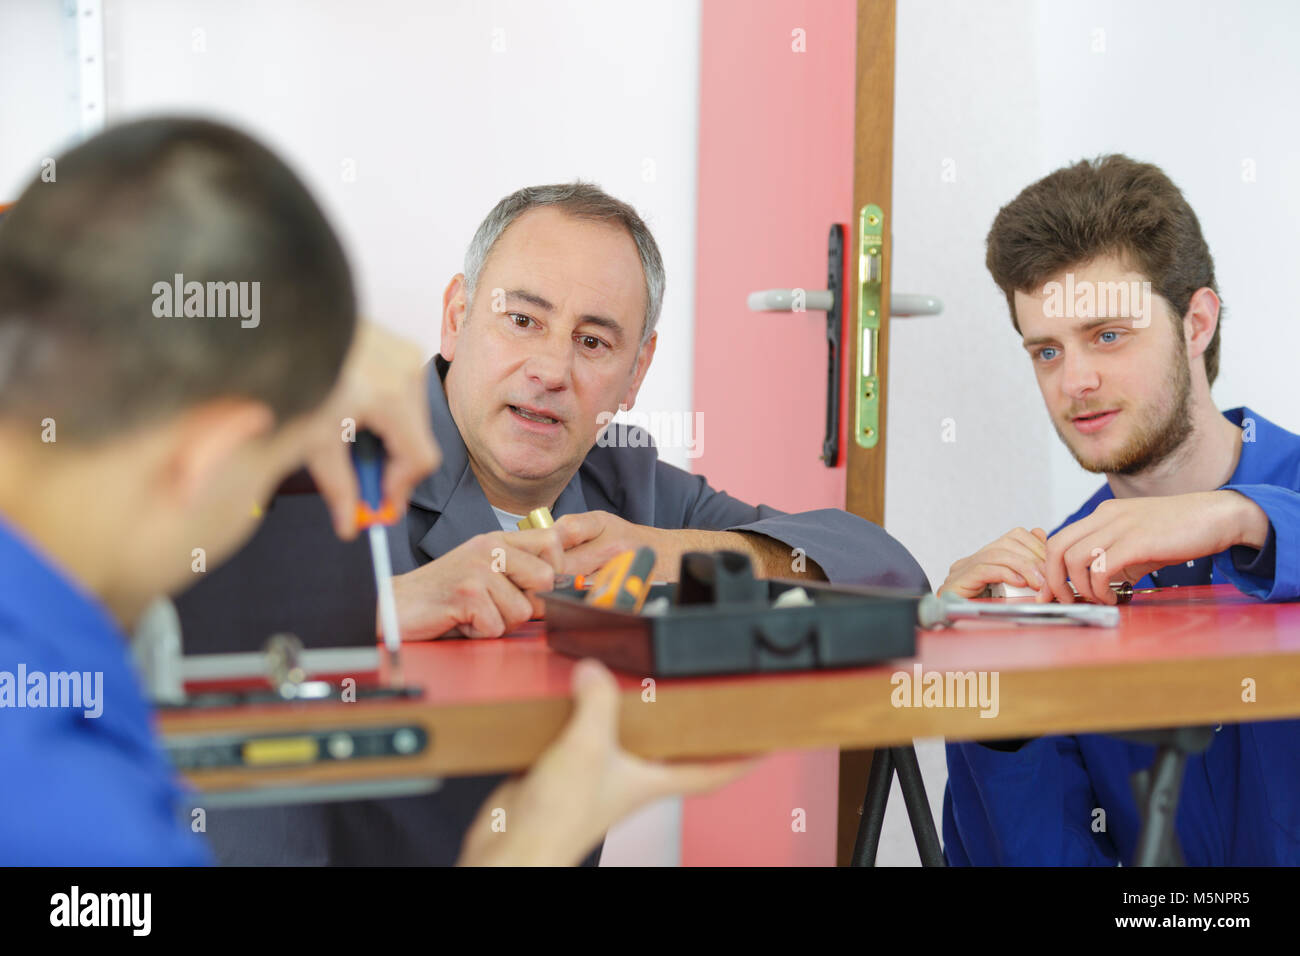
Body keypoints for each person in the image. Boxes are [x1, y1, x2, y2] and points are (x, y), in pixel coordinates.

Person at [0, 117, 747, 866]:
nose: (550, 369)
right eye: (280, 470)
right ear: (208, 459)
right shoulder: (83, 815)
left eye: (591, 340)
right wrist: (533, 846)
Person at [210, 182, 930, 864]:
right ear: (457, 318)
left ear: (637, 371)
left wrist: (674, 552)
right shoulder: (332, 454)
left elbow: (887, 568)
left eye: (593, 343)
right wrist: (379, 607)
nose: (551, 369)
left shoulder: (630, 489)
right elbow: (161, 635)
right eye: (523, 321)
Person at [940, 155, 1300, 865]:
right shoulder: (1055, 588)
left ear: (1196, 322)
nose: (1075, 381)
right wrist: (987, 701)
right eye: (1046, 350)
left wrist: (1239, 517)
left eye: (1108, 335)